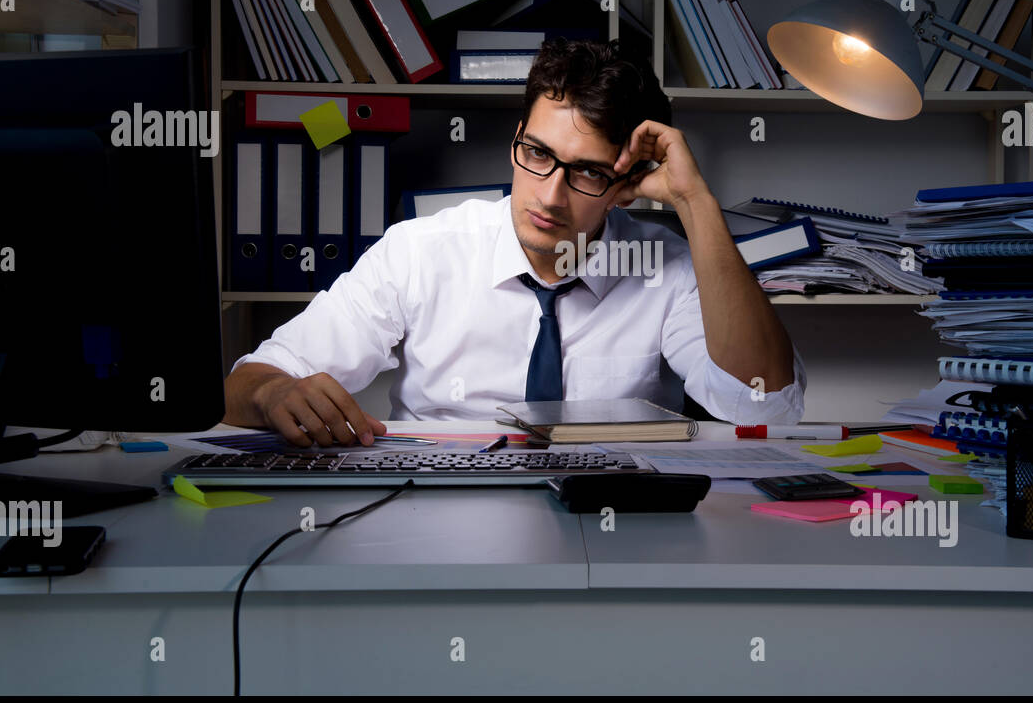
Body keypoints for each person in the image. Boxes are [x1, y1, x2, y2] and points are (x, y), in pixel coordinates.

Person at [224, 38, 805, 446]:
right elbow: (243, 387)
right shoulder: (420, 253)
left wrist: (696, 203)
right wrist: (275, 395)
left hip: (612, 524)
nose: (550, 197)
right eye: (537, 154)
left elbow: (765, 404)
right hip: (436, 520)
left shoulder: (663, 267)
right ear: (517, 140)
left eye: (587, 173)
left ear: (626, 184)